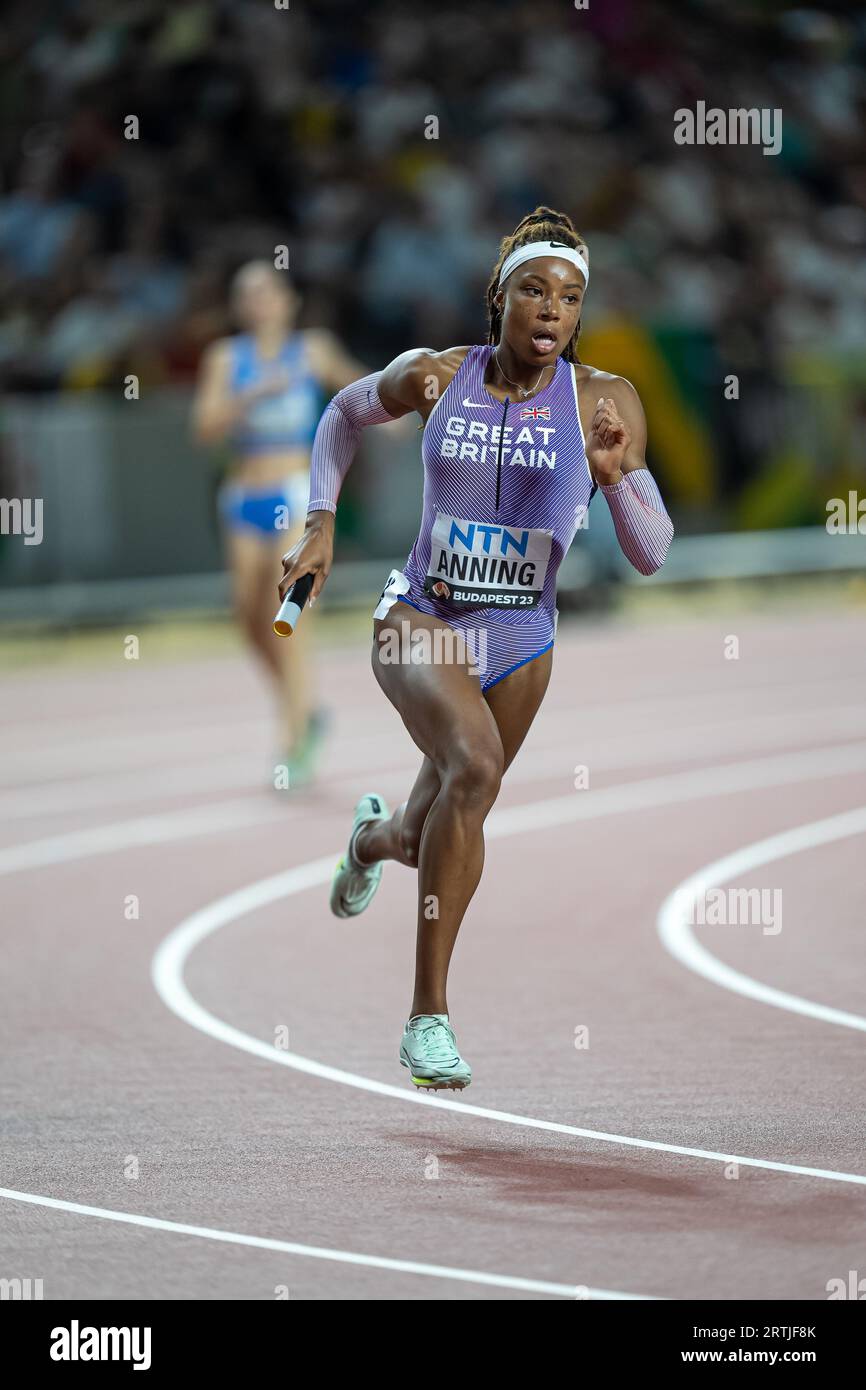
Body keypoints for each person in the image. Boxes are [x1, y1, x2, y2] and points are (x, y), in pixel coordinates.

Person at [278, 208, 674, 1088]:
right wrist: (319, 524)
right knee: (478, 768)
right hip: (420, 618)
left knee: (434, 833)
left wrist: (616, 484)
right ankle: (429, 1018)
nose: (551, 311)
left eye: (570, 299)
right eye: (534, 290)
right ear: (497, 298)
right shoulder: (434, 376)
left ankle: (372, 842)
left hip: (522, 639)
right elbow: (342, 415)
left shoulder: (604, 401)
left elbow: (651, 553)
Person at [193, 260, 365, 784]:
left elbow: (366, 391)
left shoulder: (312, 349)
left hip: (295, 492)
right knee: (247, 615)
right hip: (245, 493)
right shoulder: (226, 358)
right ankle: (304, 708)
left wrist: (419, 414)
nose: (258, 301)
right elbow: (203, 429)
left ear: (288, 300)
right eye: (246, 293)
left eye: (267, 291)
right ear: (236, 306)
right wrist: (252, 395)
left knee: (286, 614)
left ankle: (293, 742)